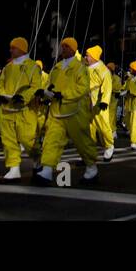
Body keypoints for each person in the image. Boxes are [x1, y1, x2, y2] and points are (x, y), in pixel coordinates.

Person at [33, 37, 99, 186]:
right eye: (62, 46)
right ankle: (48, 170)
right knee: (51, 140)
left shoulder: (80, 67)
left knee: (82, 141)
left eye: (66, 46)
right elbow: (50, 84)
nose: (63, 49)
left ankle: (91, 167)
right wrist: (45, 92)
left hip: (75, 111)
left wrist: (62, 94)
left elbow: (82, 88)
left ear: (73, 49)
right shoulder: (57, 67)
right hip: (57, 111)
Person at [0, 37, 42, 183]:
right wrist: (1, 95)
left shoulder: (33, 67)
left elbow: (35, 86)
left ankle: (37, 160)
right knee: (8, 142)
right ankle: (13, 170)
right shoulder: (7, 68)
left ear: (22, 49)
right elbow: (1, 84)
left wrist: (23, 97)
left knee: (28, 140)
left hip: (25, 110)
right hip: (7, 110)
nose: (11, 50)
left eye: (13, 47)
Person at [85, 45, 115, 160]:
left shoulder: (104, 70)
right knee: (89, 128)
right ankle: (89, 152)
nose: (85, 57)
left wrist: (104, 101)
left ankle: (109, 146)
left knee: (103, 126)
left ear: (93, 57)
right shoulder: (87, 68)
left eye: (87, 55)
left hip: (99, 102)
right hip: (87, 102)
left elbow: (107, 86)